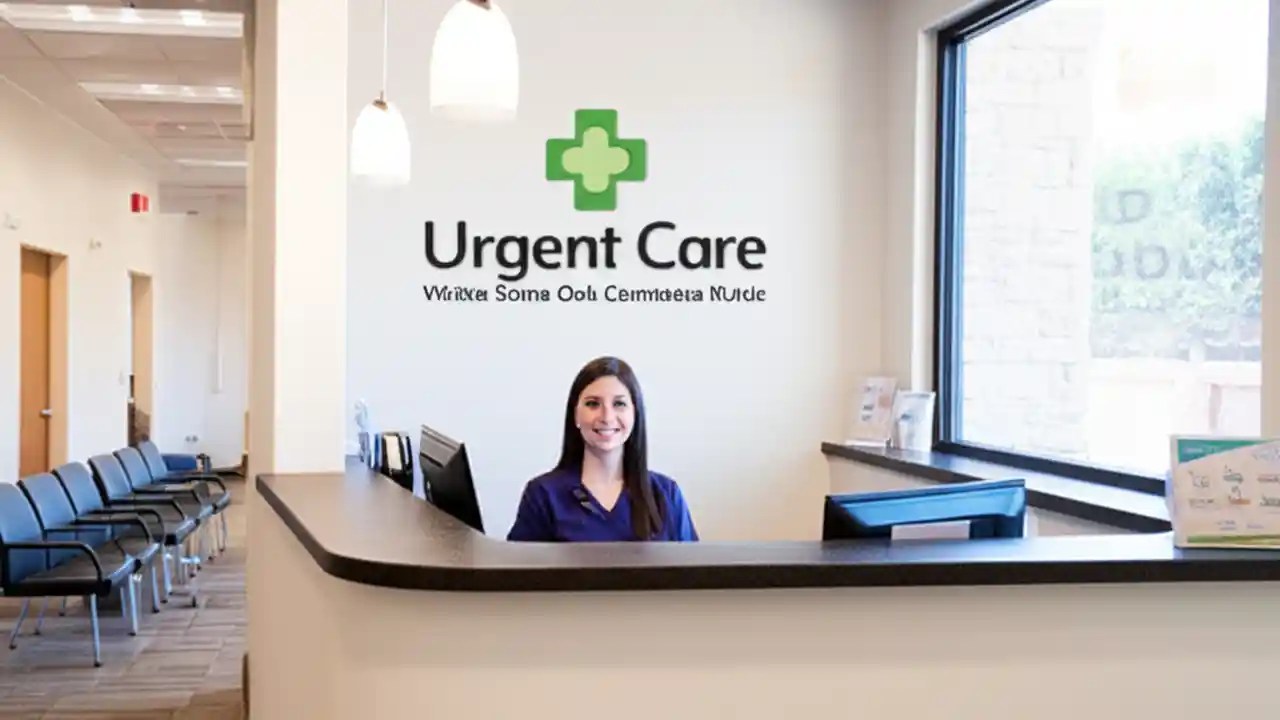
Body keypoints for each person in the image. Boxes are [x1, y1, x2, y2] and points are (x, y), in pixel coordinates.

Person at [507, 356, 699, 542]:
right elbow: (518, 572)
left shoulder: (666, 494)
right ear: (575, 415)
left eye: (619, 404)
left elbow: (693, 571)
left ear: (635, 414)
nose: (607, 416)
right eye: (593, 404)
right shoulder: (543, 495)